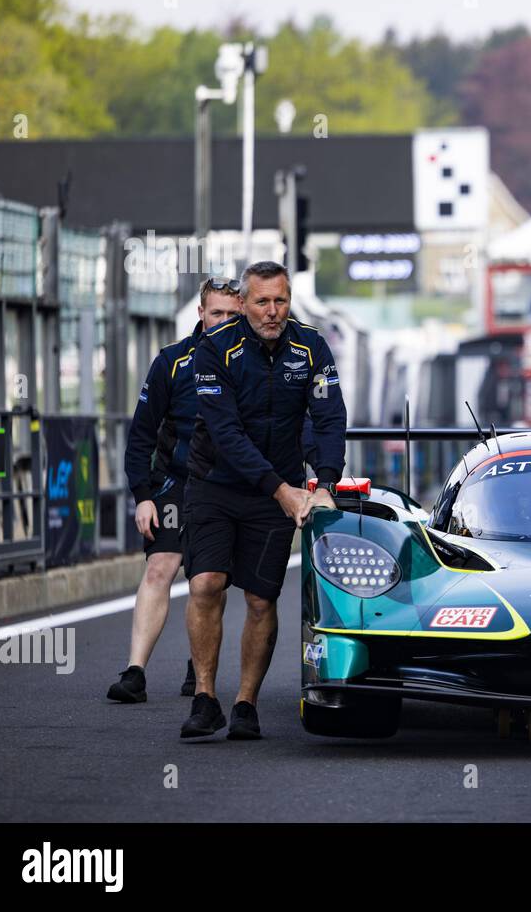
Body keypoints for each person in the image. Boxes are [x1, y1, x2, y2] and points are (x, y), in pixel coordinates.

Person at [179, 261, 347, 740]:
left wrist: (324, 486)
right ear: (245, 304)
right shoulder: (215, 349)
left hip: (282, 489)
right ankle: (205, 697)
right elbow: (227, 434)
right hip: (217, 483)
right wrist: (283, 491)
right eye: (262, 302)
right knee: (207, 583)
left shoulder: (311, 346)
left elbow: (330, 416)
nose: (272, 312)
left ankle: (245, 704)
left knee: (259, 598)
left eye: (280, 301)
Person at [107, 278, 242, 703]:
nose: (223, 321)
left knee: (209, 580)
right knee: (160, 566)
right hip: (176, 482)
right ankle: (134, 672)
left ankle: (196, 663)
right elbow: (141, 436)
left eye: (232, 315)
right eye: (216, 313)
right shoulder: (171, 361)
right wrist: (142, 495)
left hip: (225, 484)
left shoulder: (253, 362)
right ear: (200, 313)